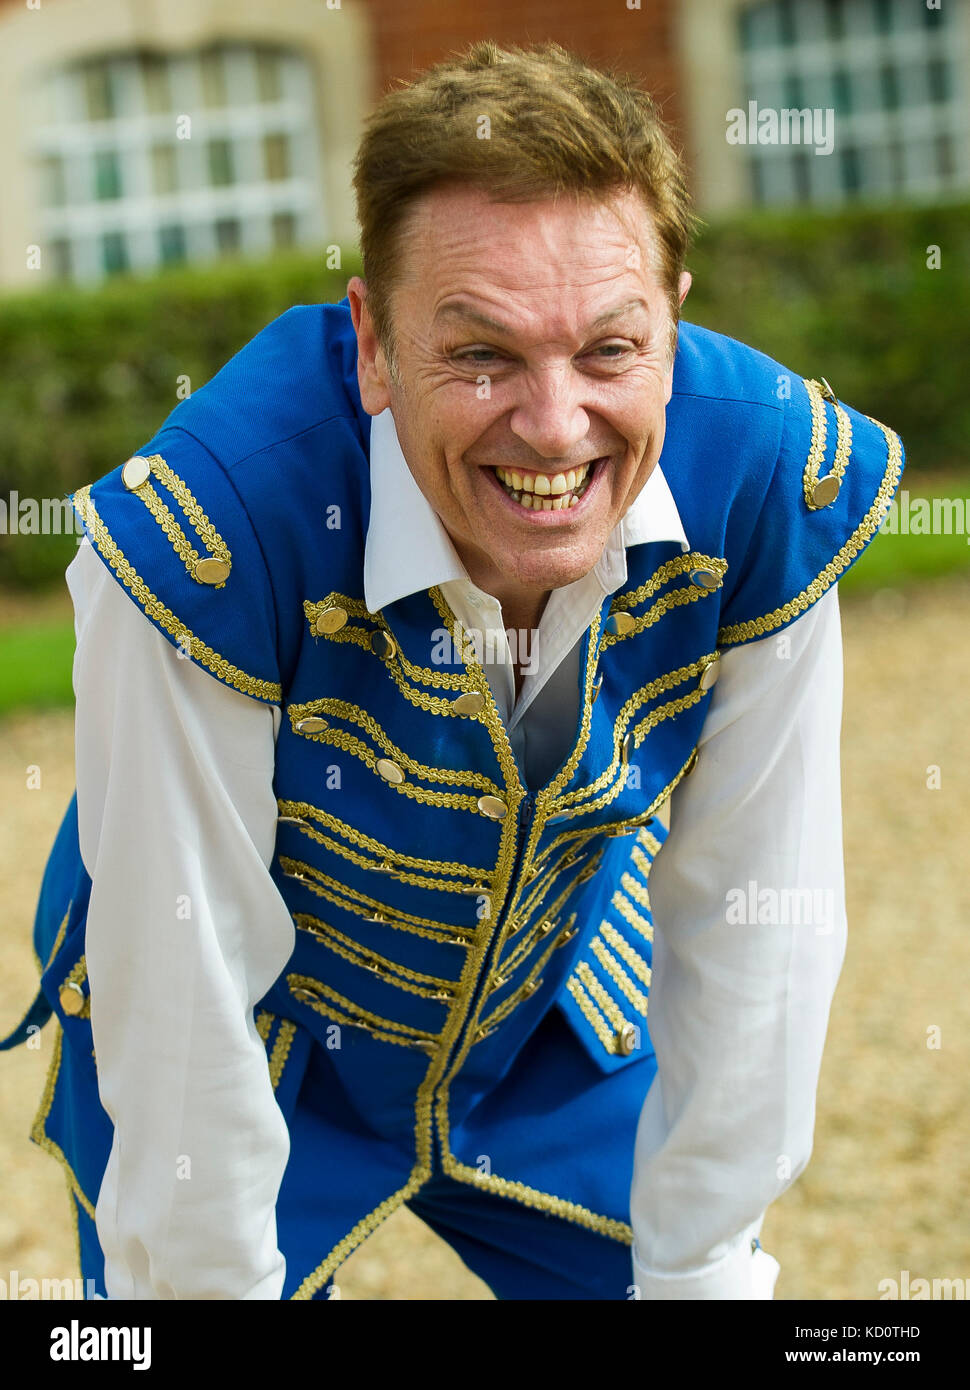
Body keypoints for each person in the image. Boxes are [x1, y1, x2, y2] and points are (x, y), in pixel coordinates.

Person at [1, 40, 903, 1301]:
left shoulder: (768, 480)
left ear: (674, 319)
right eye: (480, 353)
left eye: (608, 349)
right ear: (371, 343)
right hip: (258, 1030)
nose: (553, 423)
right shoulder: (207, 532)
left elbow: (758, 908)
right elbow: (181, 960)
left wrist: (700, 1269)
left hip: (549, 1016)